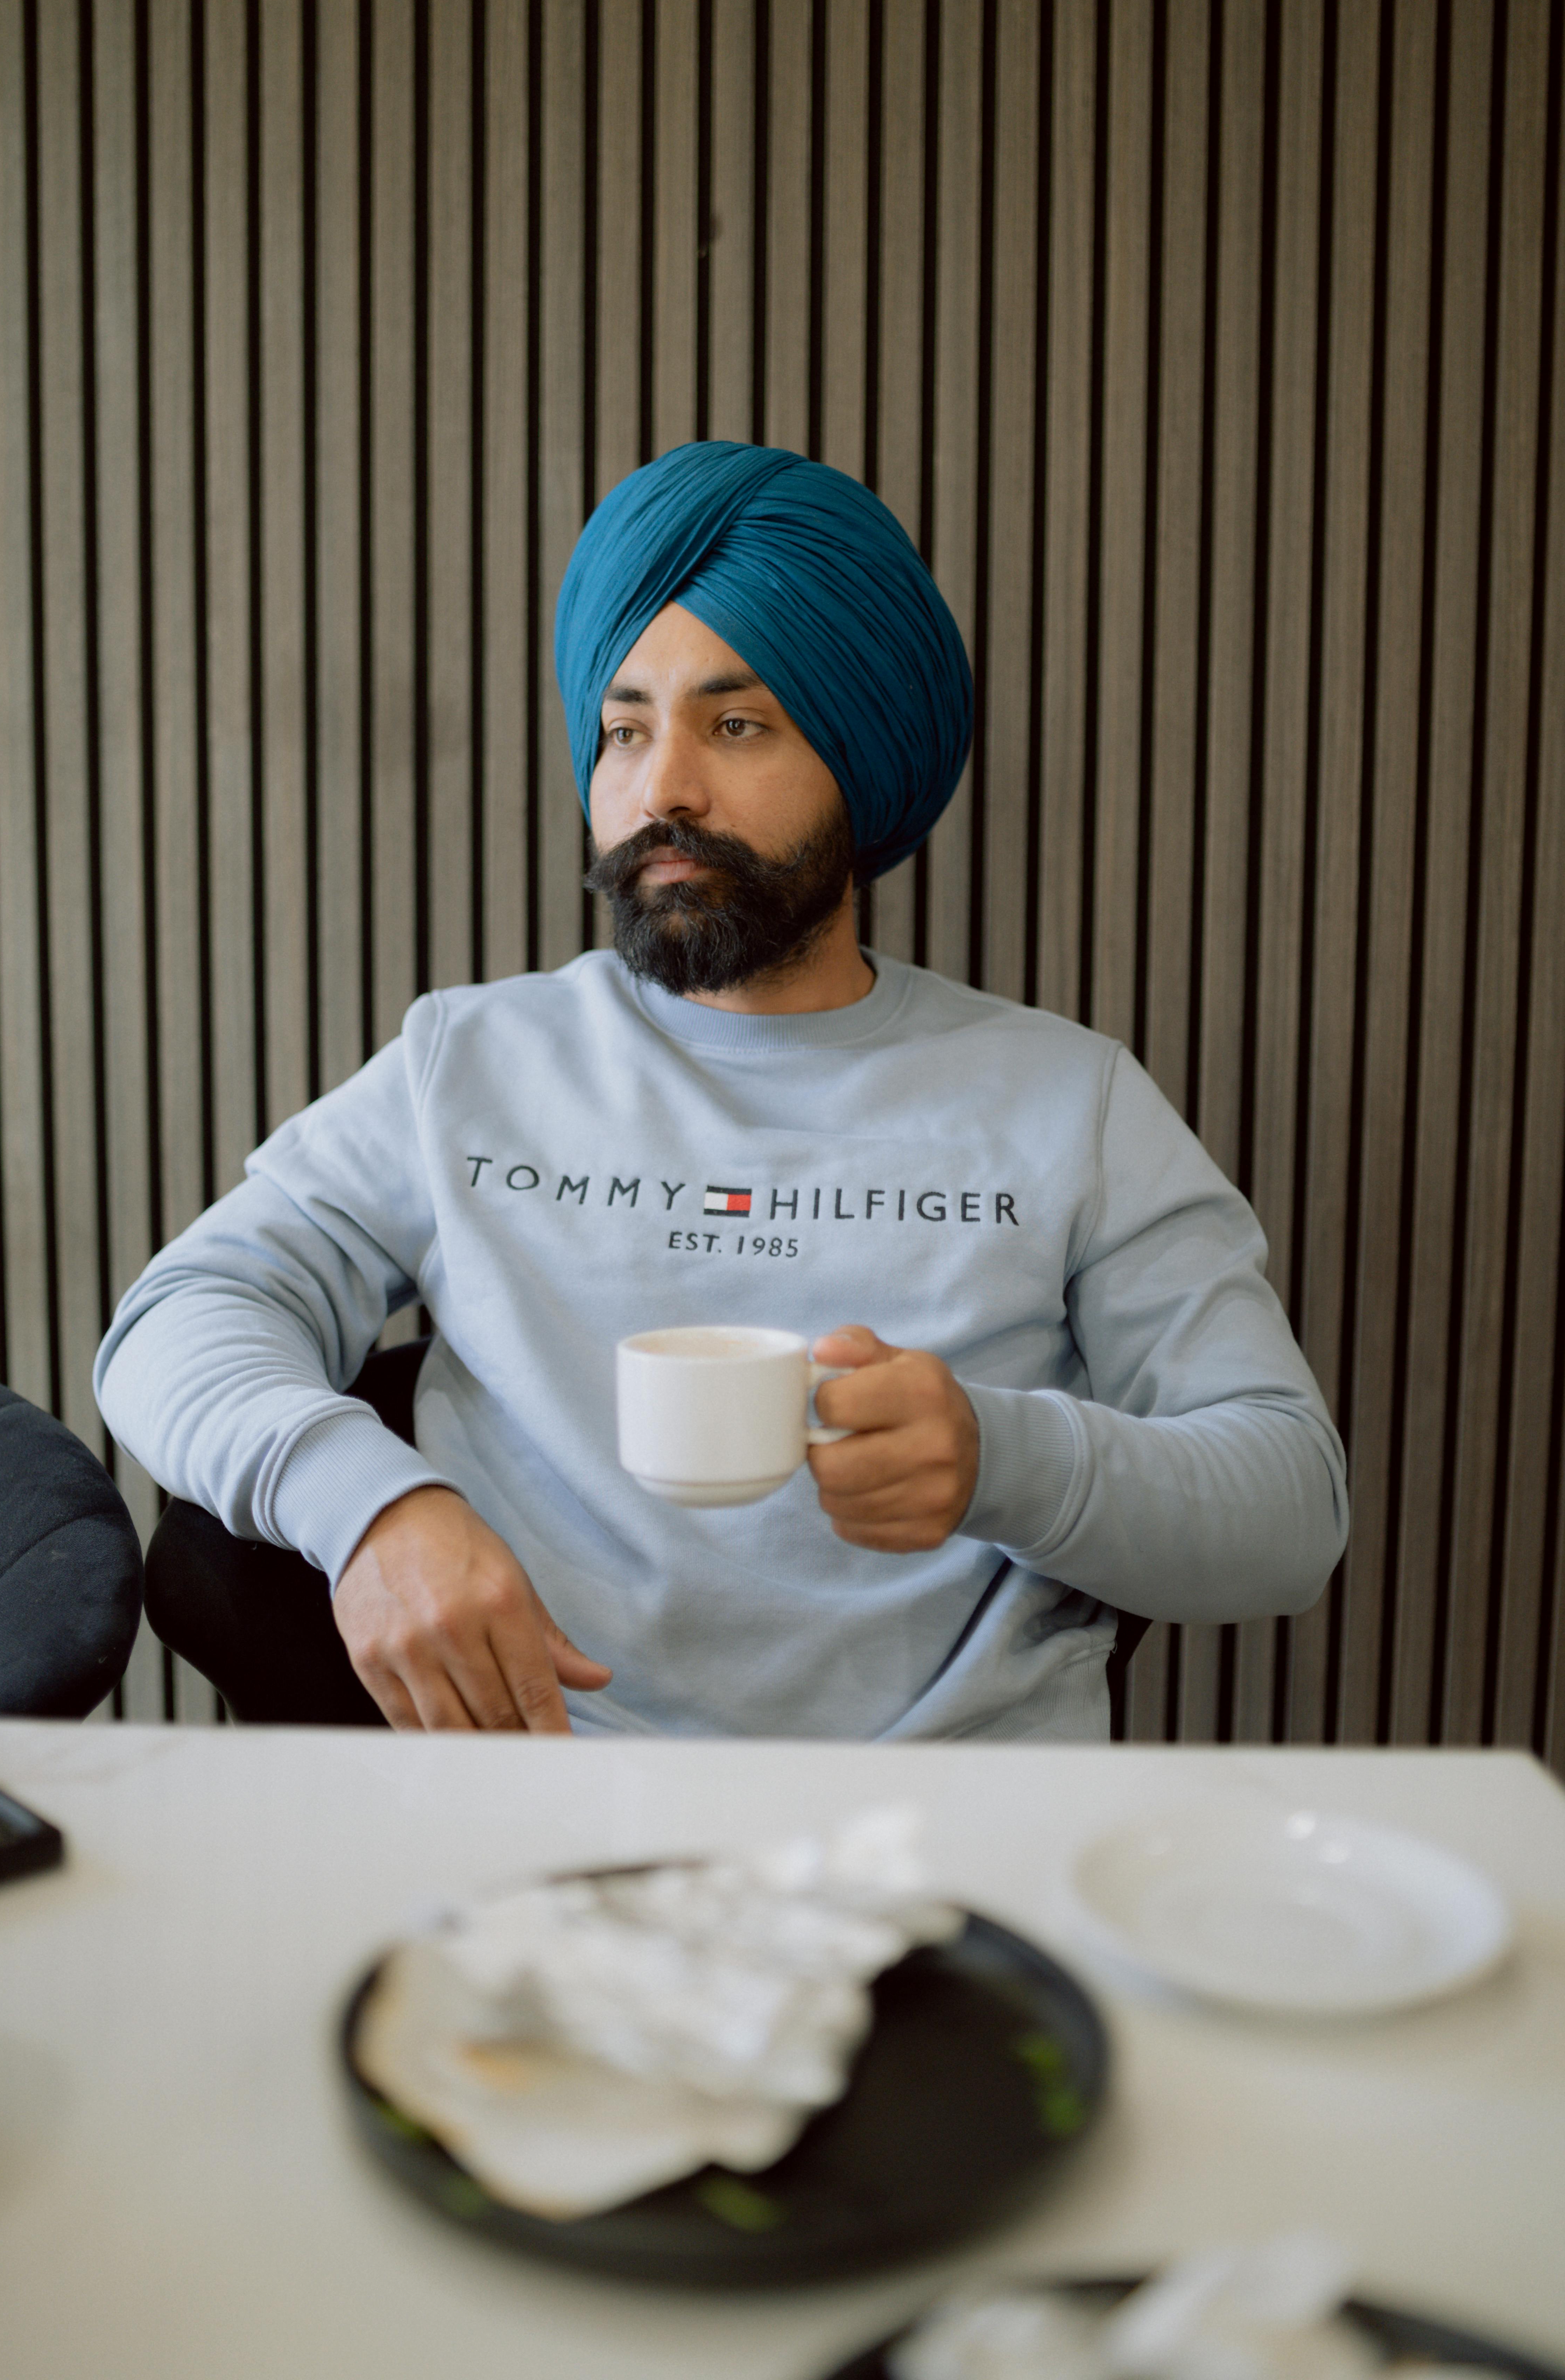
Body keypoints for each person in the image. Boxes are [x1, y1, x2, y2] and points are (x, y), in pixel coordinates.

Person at [95, 442, 1346, 1741]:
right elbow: (182, 1316)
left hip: (946, 1831)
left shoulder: (1068, 1102)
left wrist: (1001, 1461)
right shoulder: (469, 1062)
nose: (661, 790)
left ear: (862, 759)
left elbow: (1289, 1511)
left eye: (736, 725)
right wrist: (373, 1509)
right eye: (625, 729)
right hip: (533, 1815)